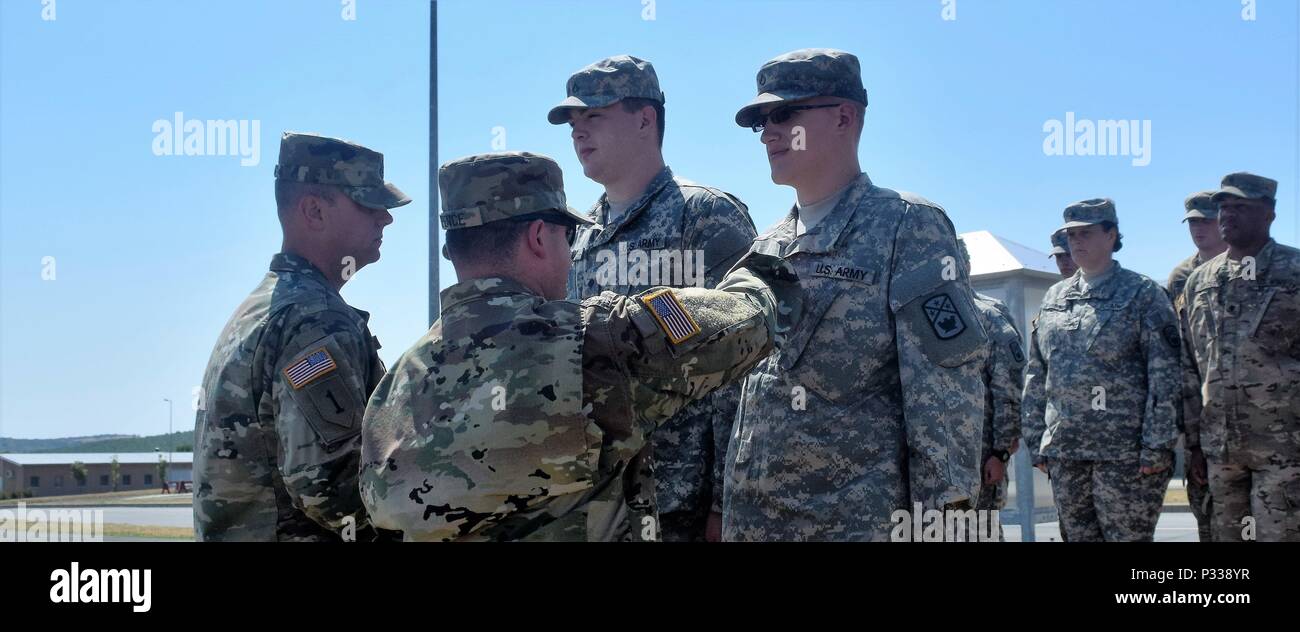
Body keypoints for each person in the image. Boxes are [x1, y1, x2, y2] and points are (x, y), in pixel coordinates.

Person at [358, 151, 800, 542]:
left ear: (453, 251)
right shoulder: (593, 341)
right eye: (566, 236)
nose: (572, 255)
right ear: (538, 237)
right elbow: (749, 318)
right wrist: (769, 266)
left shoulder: (394, 386)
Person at [722, 48, 988, 541]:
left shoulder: (907, 226)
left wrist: (943, 526)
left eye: (784, 114)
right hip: (755, 522)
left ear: (844, 117)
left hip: (854, 525)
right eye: (761, 121)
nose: (768, 133)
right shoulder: (766, 246)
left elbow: (945, 399)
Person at [549, 55, 758, 541]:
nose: (578, 132)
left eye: (593, 115)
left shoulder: (705, 216)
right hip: (596, 507)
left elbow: (744, 361)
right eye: (573, 122)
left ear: (646, 119)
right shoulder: (578, 235)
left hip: (679, 504)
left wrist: (725, 499)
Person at [194, 132, 410, 541]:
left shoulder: (265, 308)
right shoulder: (314, 318)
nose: (385, 218)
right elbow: (330, 489)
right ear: (314, 211)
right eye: (368, 204)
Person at [1023, 198, 1180, 541]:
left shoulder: (1143, 294)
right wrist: (1036, 441)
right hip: (1066, 452)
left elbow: (1165, 376)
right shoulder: (1055, 297)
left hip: (1125, 456)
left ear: (1111, 235)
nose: (1076, 241)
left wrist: (1156, 446)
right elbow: (1037, 373)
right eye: (1071, 235)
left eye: (1086, 233)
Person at [1181, 172, 1299, 542]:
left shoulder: (1294, 272)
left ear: (1269, 214)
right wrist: (1193, 444)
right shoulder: (1201, 282)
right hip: (1221, 451)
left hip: (1285, 450)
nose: (1228, 215)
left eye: (1241, 207)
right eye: (1224, 207)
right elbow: (1190, 366)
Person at [1167, 190, 1226, 542]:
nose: (1198, 229)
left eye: (1205, 221)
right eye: (1192, 223)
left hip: (1252, 415)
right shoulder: (1181, 277)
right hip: (1198, 415)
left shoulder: (1249, 267)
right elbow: (1175, 351)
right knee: (1206, 512)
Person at [958, 241, 1024, 538]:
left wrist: (1000, 452)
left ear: (967, 265)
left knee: (982, 531)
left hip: (981, 455)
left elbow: (1007, 389)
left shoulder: (989, 316)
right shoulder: (918, 317)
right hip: (939, 457)